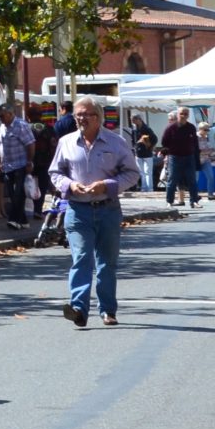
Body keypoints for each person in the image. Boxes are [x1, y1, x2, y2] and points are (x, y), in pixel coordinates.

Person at [48, 96, 141, 328]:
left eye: (86, 114)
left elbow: (132, 173)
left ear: (98, 117)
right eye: (77, 114)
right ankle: (78, 308)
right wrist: (69, 185)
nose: (81, 118)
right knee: (81, 258)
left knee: (106, 262)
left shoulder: (116, 142)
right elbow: (55, 172)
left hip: (107, 208)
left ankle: (108, 310)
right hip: (78, 210)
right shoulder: (66, 142)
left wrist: (107, 186)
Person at [0, 103, 34, 229]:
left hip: (21, 164)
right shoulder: (2, 127)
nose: (1, 119)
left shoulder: (21, 126)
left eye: (2, 116)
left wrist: (29, 161)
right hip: (8, 165)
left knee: (18, 192)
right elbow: (1, 144)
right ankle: (23, 220)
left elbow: (30, 144)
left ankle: (13, 219)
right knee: (13, 194)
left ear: (10, 114)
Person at [160, 108, 201, 209]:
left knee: (192, 180)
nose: (183, 116)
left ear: (188, 115)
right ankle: (169, 201)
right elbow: (164, 142)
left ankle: (194, 201)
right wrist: (169, 151)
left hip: (189, 156)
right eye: (181, 114)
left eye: (185, 114)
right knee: (172, 180)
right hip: (175, 157)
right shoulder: (171, 127)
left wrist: (196, 157)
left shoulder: (191, 127)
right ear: (178, 115)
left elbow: (195, 143)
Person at [131, 115, 159, 197]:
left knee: (148, 171)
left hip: (147, 153)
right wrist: (135, 147)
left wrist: (149, 147)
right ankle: (143, 187)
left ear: (139, 119)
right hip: (138, 153)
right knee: (141, 171)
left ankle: (149, 188)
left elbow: (155, 139)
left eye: (134, 120)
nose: (133, 122)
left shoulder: (147, 129)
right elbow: (133, 140)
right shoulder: (134, 129)